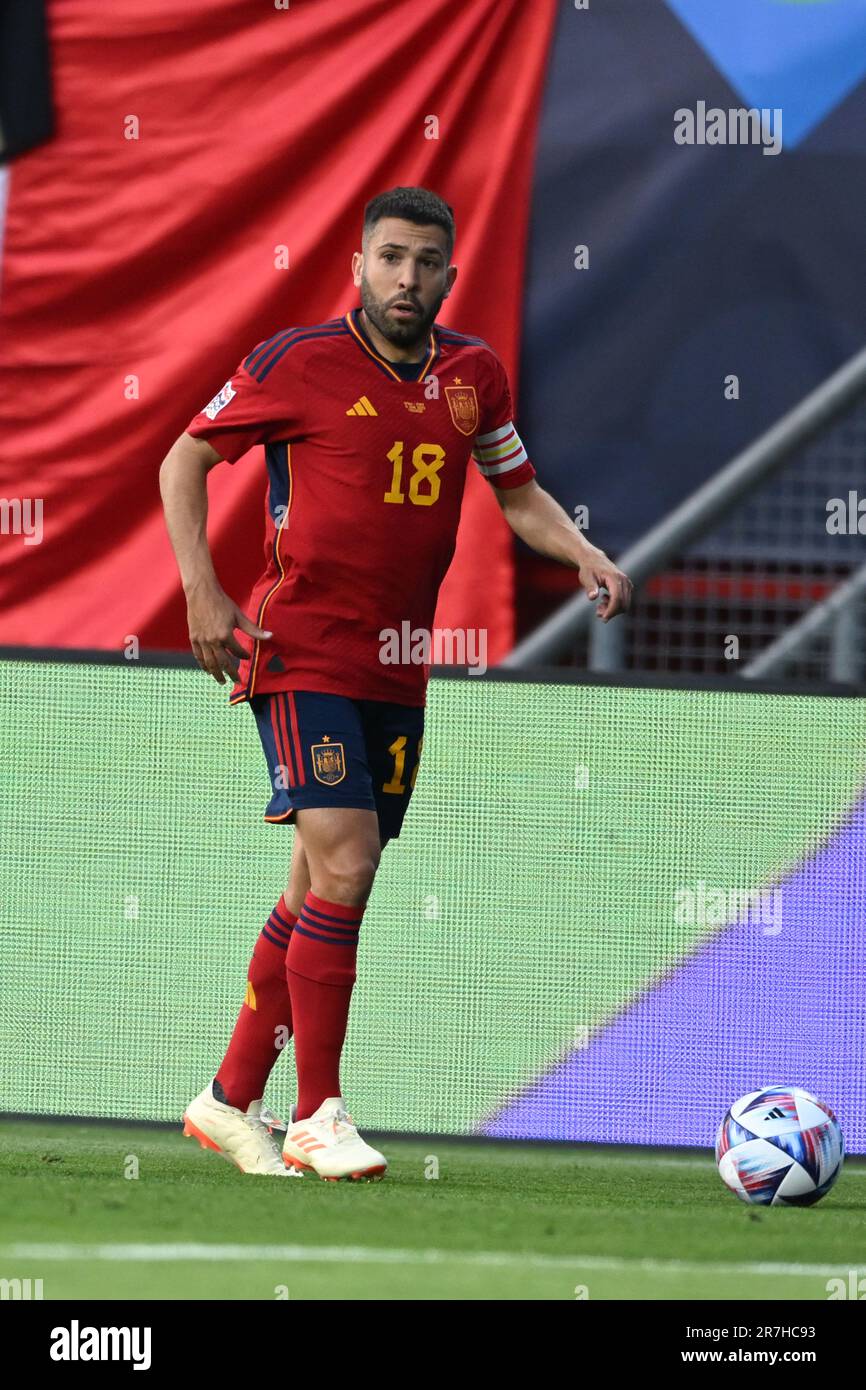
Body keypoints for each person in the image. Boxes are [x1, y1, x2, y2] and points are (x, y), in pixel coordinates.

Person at [159, 185, 632, 1182]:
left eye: (423, 262)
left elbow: (516, 489)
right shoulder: (299, 362)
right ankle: (317, 1113)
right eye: (388, 258)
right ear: (358, 266)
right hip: (298, 648)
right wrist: (201, 591)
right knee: (348, 862)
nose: (405, 278)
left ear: (447, 275)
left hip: (398, 666)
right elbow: (183, 459)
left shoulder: (473, 374)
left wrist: (581, 549)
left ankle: (224, 1098)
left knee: (320, 884)